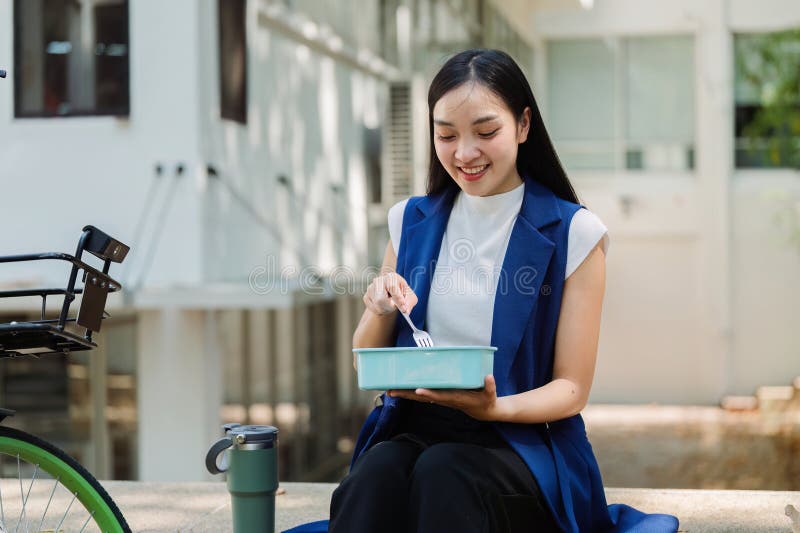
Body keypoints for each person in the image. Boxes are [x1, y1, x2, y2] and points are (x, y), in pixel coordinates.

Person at [285, 48, 679, 533]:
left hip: (521, 441)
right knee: (375, 474)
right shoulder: (410, 221)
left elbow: (572, 389)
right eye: (446, 135)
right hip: (416, 427)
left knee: (444, 472)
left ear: (524, 125)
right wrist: (377, 306)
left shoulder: (573, 234)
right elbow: (368, 362)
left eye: (486, 132)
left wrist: (494, 408)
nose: (464, 153)